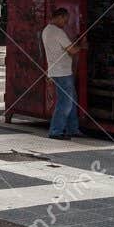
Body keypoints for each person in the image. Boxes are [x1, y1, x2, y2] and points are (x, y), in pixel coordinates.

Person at [42, 7, 84, 139]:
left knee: (71, 100)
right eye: (65, 20)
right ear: (59, 17)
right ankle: (56, 131)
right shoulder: (58, 32)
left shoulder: (46, 30)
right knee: (65, 103)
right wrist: (82, 45)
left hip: (57, 71)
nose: (65, 23)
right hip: (62, 72)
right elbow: (72, 50)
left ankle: (73, 128)